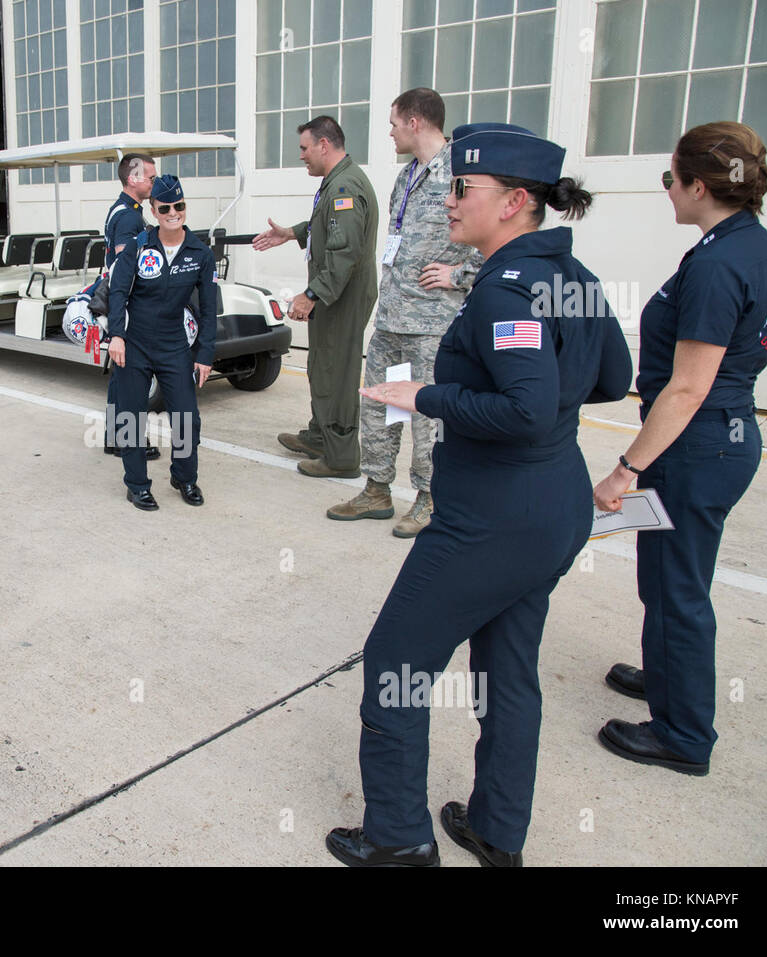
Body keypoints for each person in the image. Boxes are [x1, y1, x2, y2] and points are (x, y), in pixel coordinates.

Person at [327, 123, 633, 867]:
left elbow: (527, 408)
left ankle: (397, 835)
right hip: (553, 507)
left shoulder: (503, 290)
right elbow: (613, 378)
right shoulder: (572, 276)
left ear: (515, 202)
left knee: (397, 658)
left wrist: (427, 394)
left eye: (464, 189)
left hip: (495, 518)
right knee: (507, 673)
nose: (451, 200)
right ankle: (497, 829)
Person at [593, 122, 767, 777]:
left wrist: (626, 469)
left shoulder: (717, 264)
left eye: (670, 179)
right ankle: (668, 677)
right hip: (720, 440)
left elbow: (687, 388)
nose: (667, 190)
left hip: (695, 447)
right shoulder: (753, 245)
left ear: (700, 186)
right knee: (673, 578)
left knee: (678, 590)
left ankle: (682, 733)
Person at [328, 89, 482, 537]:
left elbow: (494, 235)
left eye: (394, 122)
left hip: (433, 323)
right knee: (381, 407)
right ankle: (376, 490)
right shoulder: (407, 175)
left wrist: (459, 274)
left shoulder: (460, 173)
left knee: (427, 415)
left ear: (415, 122)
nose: (390, 131)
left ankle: (429, 499)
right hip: (392, 317)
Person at [253, 115, 379, 481]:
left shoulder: (344, 189)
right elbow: (327, 229)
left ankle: (340, 456)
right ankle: (320, 435)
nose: (302, 156)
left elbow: (344, 252)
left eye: (305, 149)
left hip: (341, 296)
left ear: (324, 145)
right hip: (336, 296)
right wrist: (292, 233)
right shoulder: (336, 182)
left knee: (336, 372)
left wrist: (311, 295)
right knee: (322, 365)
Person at [107, 175, 216, 510]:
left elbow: (210, 309)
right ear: (153, 210)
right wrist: (116, 336)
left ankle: (184, 477)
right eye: (165, 207)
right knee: (131, 416)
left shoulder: (200, 253)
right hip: (135, 342)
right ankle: (136, 484)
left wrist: (206, 354)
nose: (173, 213)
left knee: (186, 416)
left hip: (173, 343)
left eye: (179, 206)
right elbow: (118, 293)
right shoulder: (138, 247)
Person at [102, 152, 160, 461]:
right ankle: (126, 439)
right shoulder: (128, 216)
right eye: (150, 177)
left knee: (120, 374)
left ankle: (115, 436)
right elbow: (127, 264)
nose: (154, 181)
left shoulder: (123, 209)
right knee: (129, 376)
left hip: (121, 302)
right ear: (133, 178)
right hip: (129, 303)